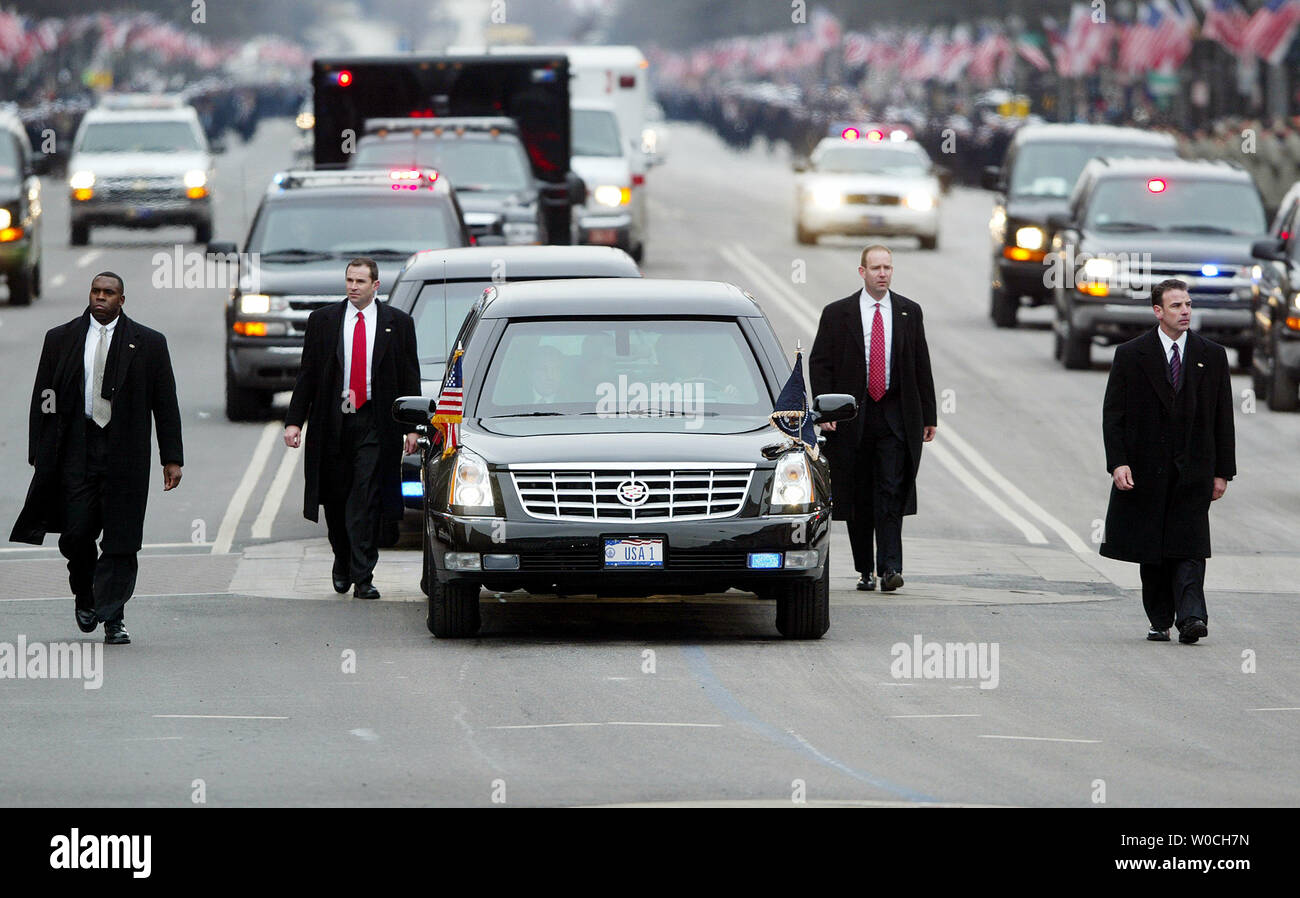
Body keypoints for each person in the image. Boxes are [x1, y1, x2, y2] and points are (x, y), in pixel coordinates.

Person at [10, 272, 184, 645]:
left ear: (122, 300)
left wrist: (172, 457)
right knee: (75, 533)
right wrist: (38, 451)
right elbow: (45, 395)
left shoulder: (149, 343)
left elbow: (165, 403)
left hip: (125, 454)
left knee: (121, 538)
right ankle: (86, 594)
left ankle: (114, 618)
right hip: (77, 448)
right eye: (96, 291)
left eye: (109, 293)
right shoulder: (61, 338)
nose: (100, 298)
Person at [1100, 278, 1235, 644]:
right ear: (1158, 311)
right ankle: (1159, 618)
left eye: (1188, 304)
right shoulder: (1131, 355)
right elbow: (1114, 415)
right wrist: (1119, 463)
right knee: (1153, 548)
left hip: (1194, 468)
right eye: (1176, 306)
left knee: (1190, 546)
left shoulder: (1212, 355)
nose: (1185, 311)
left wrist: (1223, 472)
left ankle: (1192, 617)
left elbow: (1223, 417)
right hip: (1147, 469)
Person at [284, 258, 420, 600]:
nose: (353, 286)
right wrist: (293, 421)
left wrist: (413, 428)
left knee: (366, 498)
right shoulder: (324, 321)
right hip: (334, 418)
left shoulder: (397, 323)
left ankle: (363, 575)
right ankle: (342, 559)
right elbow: (308, 375)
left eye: (360, 281)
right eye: (349, 280)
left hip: (375, 420)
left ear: (376, 285)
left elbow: (409, 376)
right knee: (335, 496)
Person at [810, 245, 936, 593]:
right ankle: (865, 568)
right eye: (876, 268)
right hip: (853, 418)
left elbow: (920, 364)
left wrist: (929, 414)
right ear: (862, 272)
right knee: (859, 495)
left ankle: (891, 567)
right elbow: (821, 363)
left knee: (891, 491)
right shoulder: (838, 314)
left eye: (888, 268)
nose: (883, 274)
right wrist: (824, 413)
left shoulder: (909, 312)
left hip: (896, 417)